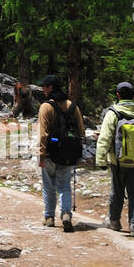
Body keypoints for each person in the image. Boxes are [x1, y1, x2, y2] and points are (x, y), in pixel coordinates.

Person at [96, 81, 134, 236]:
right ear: (133, 95)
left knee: (117, 191)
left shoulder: (112, 113)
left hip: (117, 161)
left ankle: (114, 221)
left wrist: (101, 160)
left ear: (117, 95)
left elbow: (104, 138)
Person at [37, 74, 84, 232]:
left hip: (51, 153)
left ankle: (49, 217)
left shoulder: (46, 107)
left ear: (50, 88)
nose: (43, 89)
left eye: (44, 87)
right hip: (68, 153)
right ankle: (65, 215)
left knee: (48, 186)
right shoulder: (72, 106)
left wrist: (41, 155)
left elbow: (43, 134)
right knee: (64, 185)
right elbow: (81, 130)